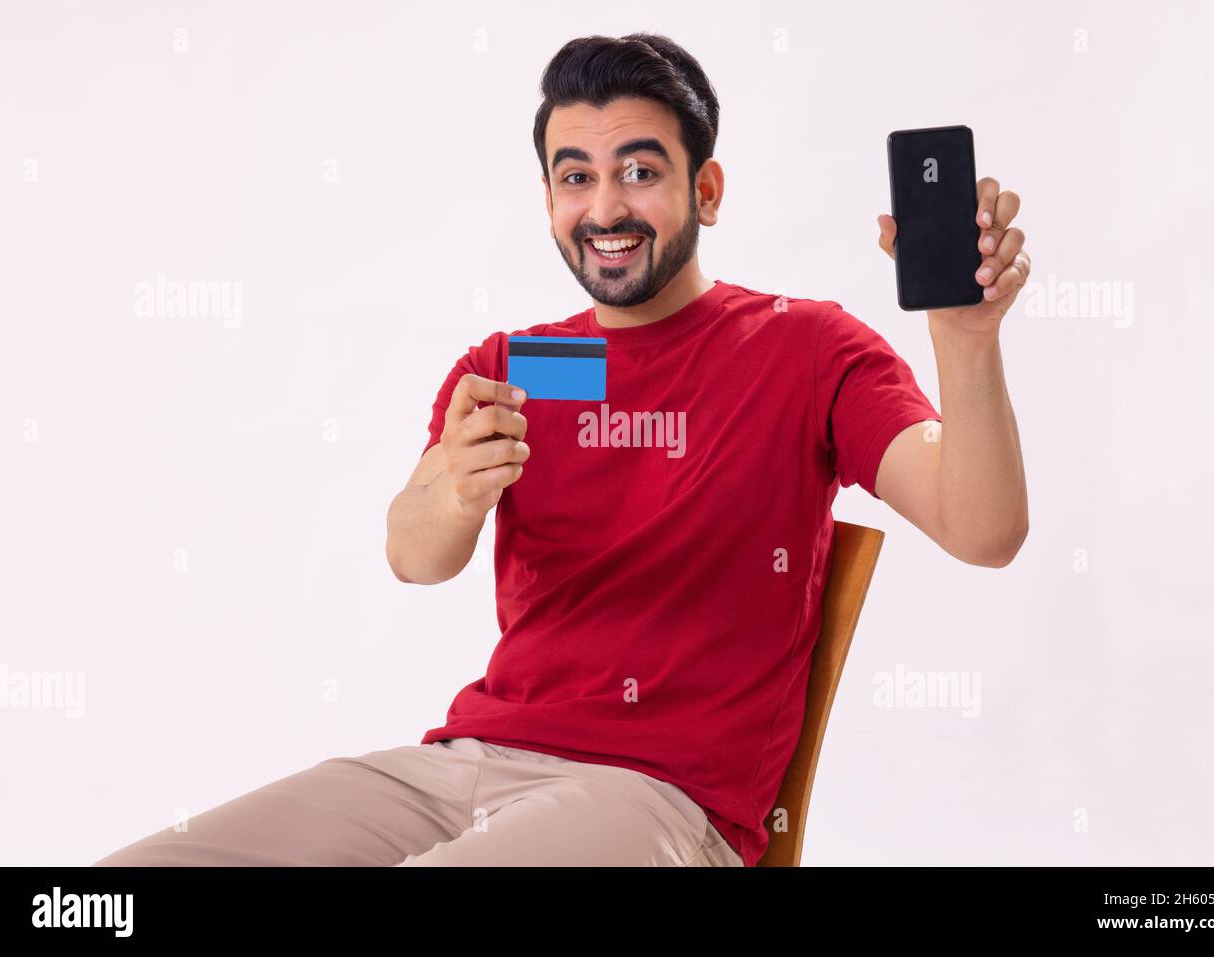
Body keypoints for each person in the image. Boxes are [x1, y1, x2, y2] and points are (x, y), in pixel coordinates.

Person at [95, 32, 1029, 868]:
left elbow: (982, 528)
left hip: (661, 799)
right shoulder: (522, 364)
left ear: (705, 189)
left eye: (640, 170)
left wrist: (966, 337)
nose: (605, 204)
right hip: (462, 765)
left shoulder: (804, 347)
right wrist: (456, 492)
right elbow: (413, 556)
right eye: (575, 175)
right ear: (547, 199)